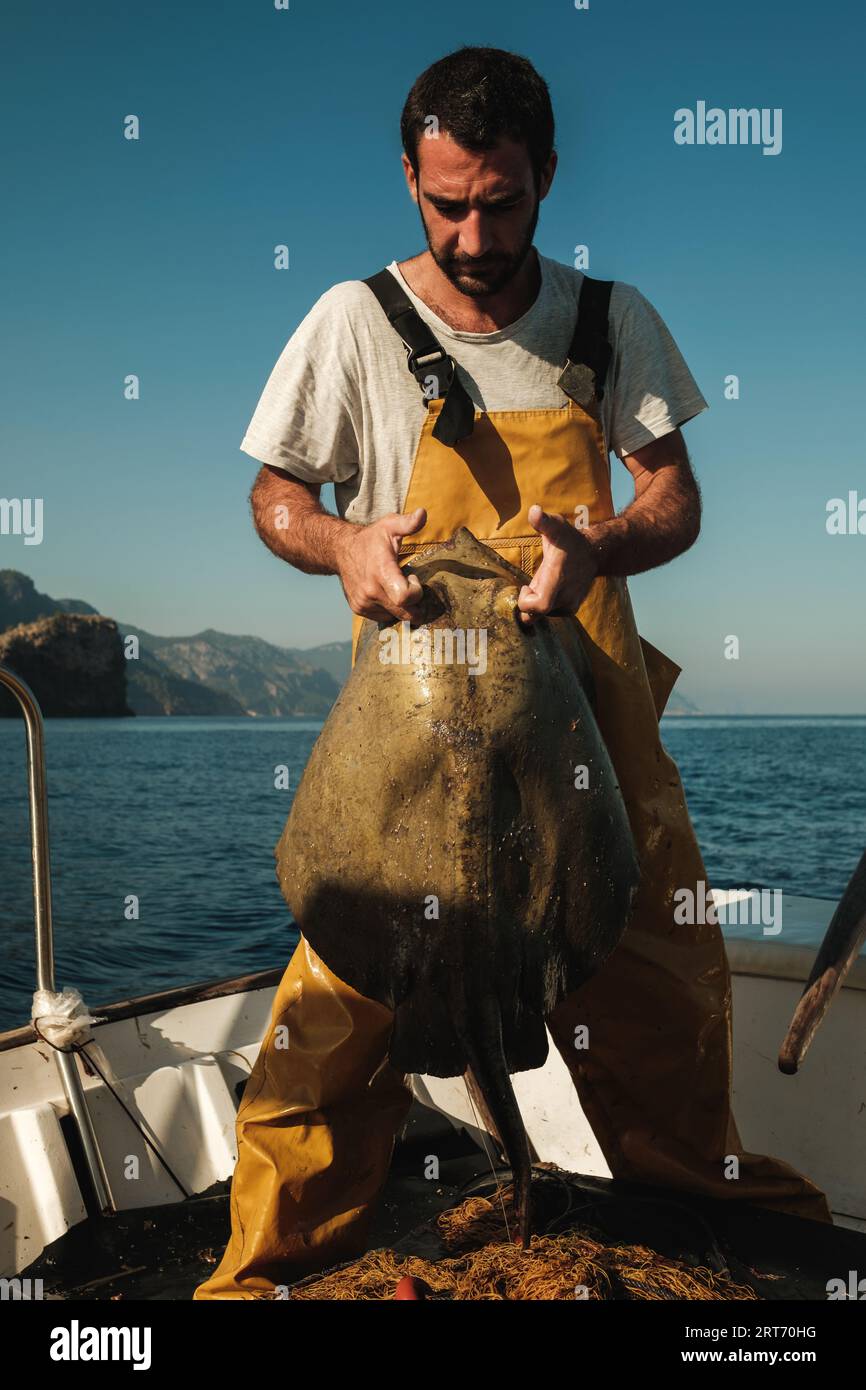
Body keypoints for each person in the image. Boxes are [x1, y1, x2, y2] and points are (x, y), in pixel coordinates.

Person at [194, 45, 830, 1300]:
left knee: (660, 984)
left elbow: (673, 499)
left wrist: (602, 541)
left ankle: (701, 1232)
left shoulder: (610, 322)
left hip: (587, 702)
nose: (474, 232)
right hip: (407, 724)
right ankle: (267, 1268)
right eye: (445, 203)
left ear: (547, 173)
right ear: (408, 178)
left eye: (502, 200)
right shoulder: (349, 320)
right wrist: (338, 543)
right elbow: (276, 496)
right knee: (333, 1014)